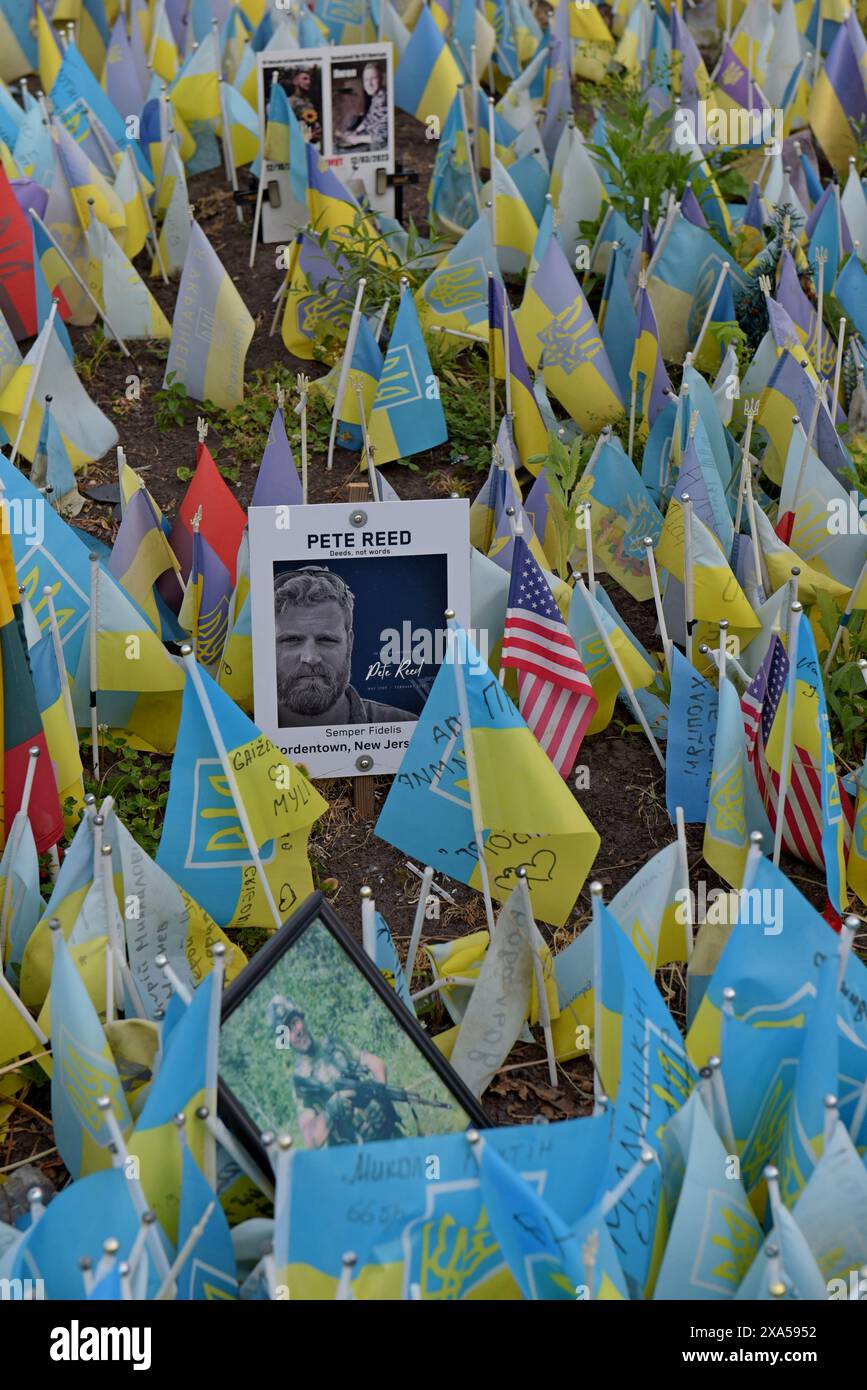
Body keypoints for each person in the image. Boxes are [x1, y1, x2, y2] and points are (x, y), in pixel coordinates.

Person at [273, 566, 418, 726]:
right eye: (292, 640)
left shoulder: (410, 728)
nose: (311, 657)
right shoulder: (244, 734)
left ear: (350, 644)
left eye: (326, 639)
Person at [267, 996, 400, 1147]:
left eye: (294, 1022)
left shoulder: (333, 1045)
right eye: (288, 1031)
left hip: (386, 1135)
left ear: (302, 1019)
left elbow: (375, 1063)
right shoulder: (301, 1081)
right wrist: (330, 1112)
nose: (296, 1031)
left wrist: (379, 1095)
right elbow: (311, 1140)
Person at [336, 63, 388, 151]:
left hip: (380, 145)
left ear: (381, 79)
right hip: (371, 137)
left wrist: (357, 139)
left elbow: (382, 136)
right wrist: (355, 132)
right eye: (366, 80)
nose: (369, 84)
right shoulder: (376, 96)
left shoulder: (384, 99)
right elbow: (369, 119)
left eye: (373, 78)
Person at [287, 67, 321, 145]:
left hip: (311, 145)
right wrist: (308, 136)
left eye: (309, 79)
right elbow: (289, 127)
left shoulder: (309, 103)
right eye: (305, 79)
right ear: (295, 81)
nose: (308, 82)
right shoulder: (290, 102)